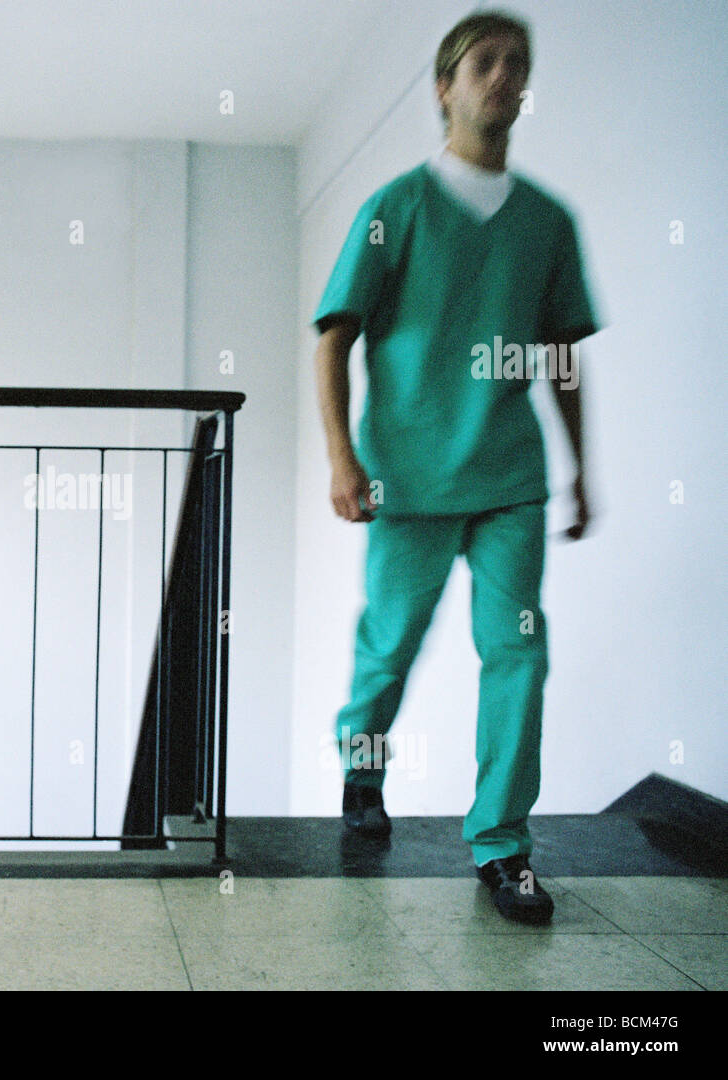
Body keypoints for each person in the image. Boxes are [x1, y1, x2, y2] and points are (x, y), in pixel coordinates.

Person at [311, 10, 601, 925]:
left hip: (511, 478)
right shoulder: (395, 211)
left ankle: (504, 847)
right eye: (485, 62)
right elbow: (334, 334)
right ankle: (363, 766)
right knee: (389, 646)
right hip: (409, 475)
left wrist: (583, 469)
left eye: (519, 65)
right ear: (446, 86)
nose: (504, 77)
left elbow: (562, 355)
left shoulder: (548, 223)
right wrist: (342, 458)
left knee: (517, 651)